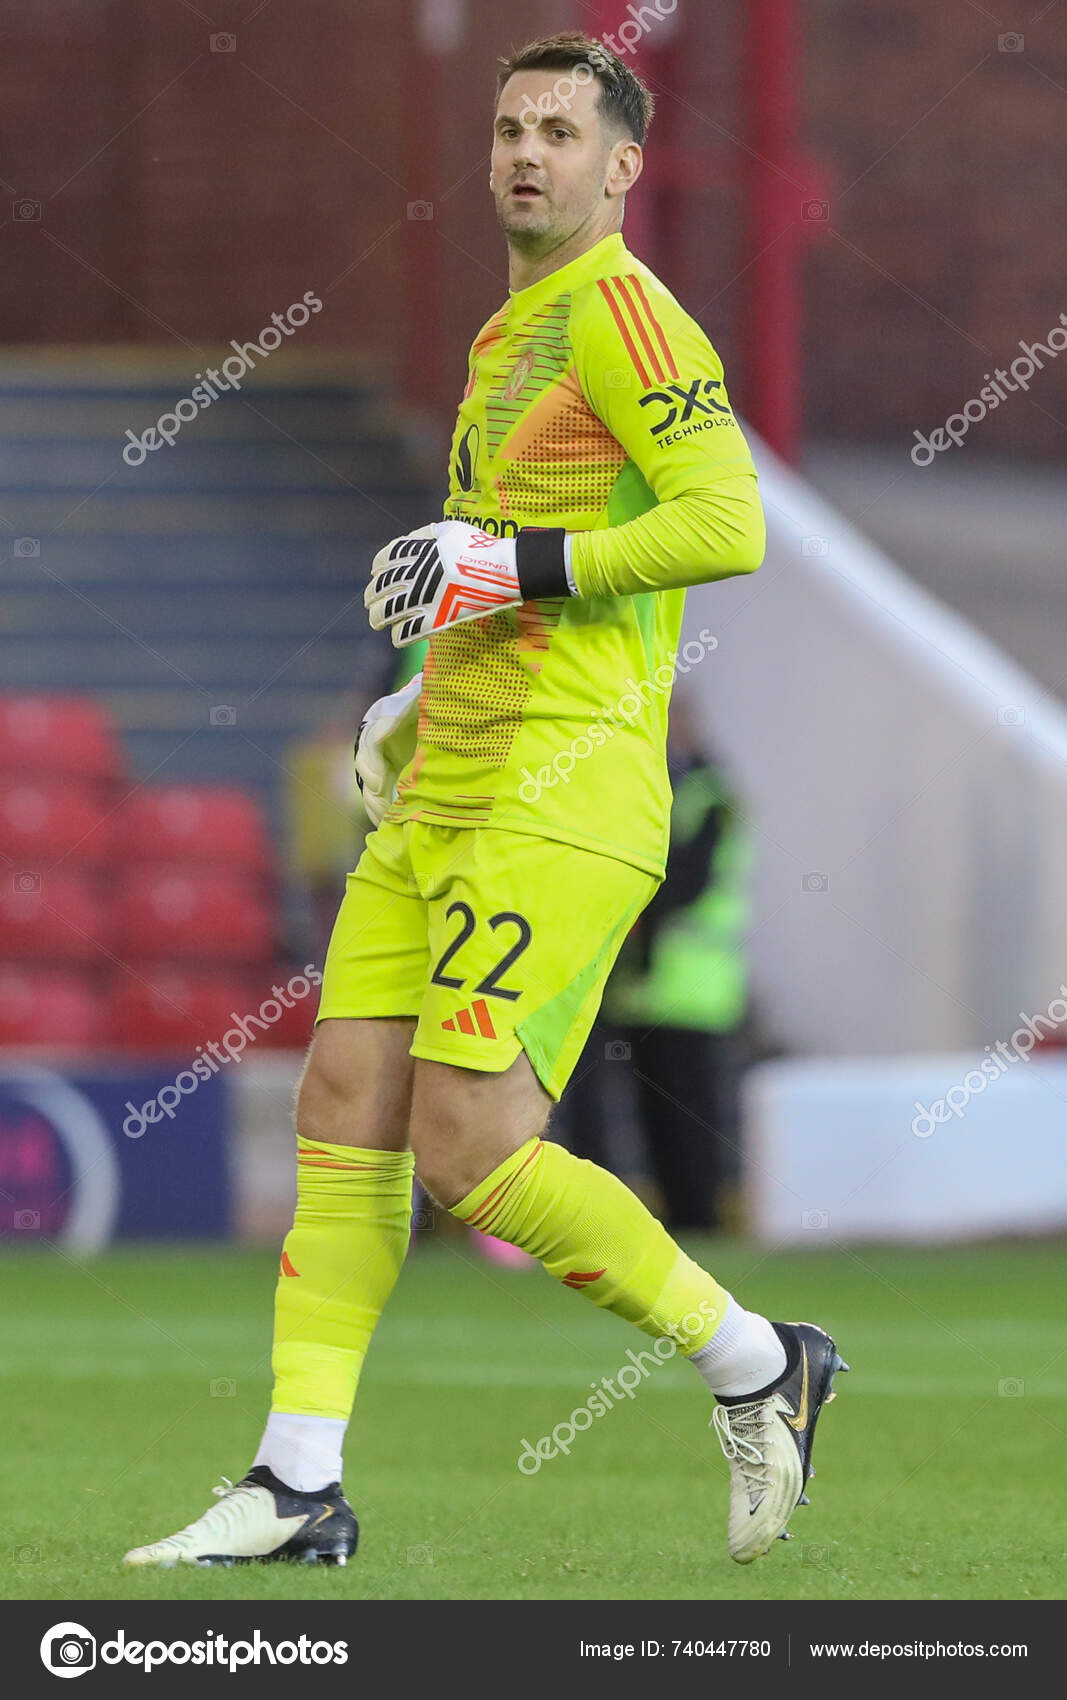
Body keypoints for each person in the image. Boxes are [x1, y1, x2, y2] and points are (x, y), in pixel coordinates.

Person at [125, 30, 846, 1575]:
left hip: (562, 787)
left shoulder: (626, 320)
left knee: (468, 1151)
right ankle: (295, 1483)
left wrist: (510, 567)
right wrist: (411, 688)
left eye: (559, 133)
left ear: (620, 167)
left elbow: (728, 520)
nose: (524, 153)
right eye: (509, 127)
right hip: (450, 770)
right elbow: (476, 564)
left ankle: (752, 1361)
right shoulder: (507, 333)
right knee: (344, 1111)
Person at [564, 706, 751, 1231]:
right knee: (652, 1116)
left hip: (692, 991)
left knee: (690, 1116)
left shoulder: (708, 796)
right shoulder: (658, 789)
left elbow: (684, 882)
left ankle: (699, 1218)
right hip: (642, 989)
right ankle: (676, 1219)